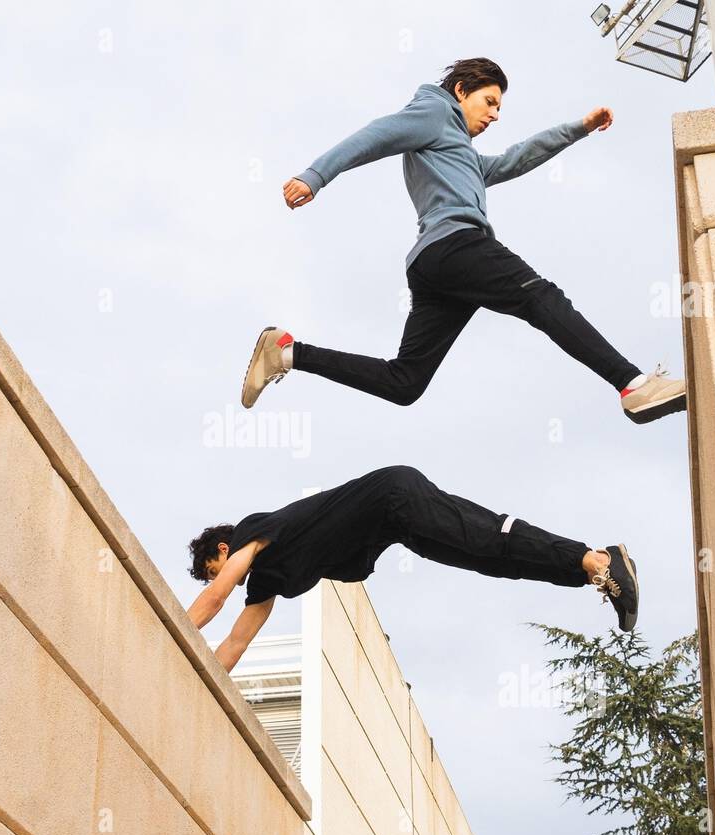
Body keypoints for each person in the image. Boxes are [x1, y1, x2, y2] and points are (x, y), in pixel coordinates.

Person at [240, 57, 685, 425]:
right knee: (541, 297)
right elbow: (374, 136)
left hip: (435, 267)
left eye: (498, 109)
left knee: (405, 382)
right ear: (460, 91)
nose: (493, 115)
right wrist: (315, 176)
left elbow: (513, 160)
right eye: (489, 102)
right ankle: (633, 385)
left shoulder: (461, 152)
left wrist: (578, 129)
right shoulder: (433, 114)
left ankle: (286, 352)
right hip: (455, 247)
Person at [186, 465, 638, 672]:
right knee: (488, 561)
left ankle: (595, 557)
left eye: (213, 567)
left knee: (485, 536)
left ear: (224, 548)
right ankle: (594, 572)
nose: (218, 576)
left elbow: (216, 598)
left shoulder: (253, 531)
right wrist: (201, 680)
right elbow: (236, 642)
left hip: (395, 496)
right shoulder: (266, 583)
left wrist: (172, 633)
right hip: (400, 528)